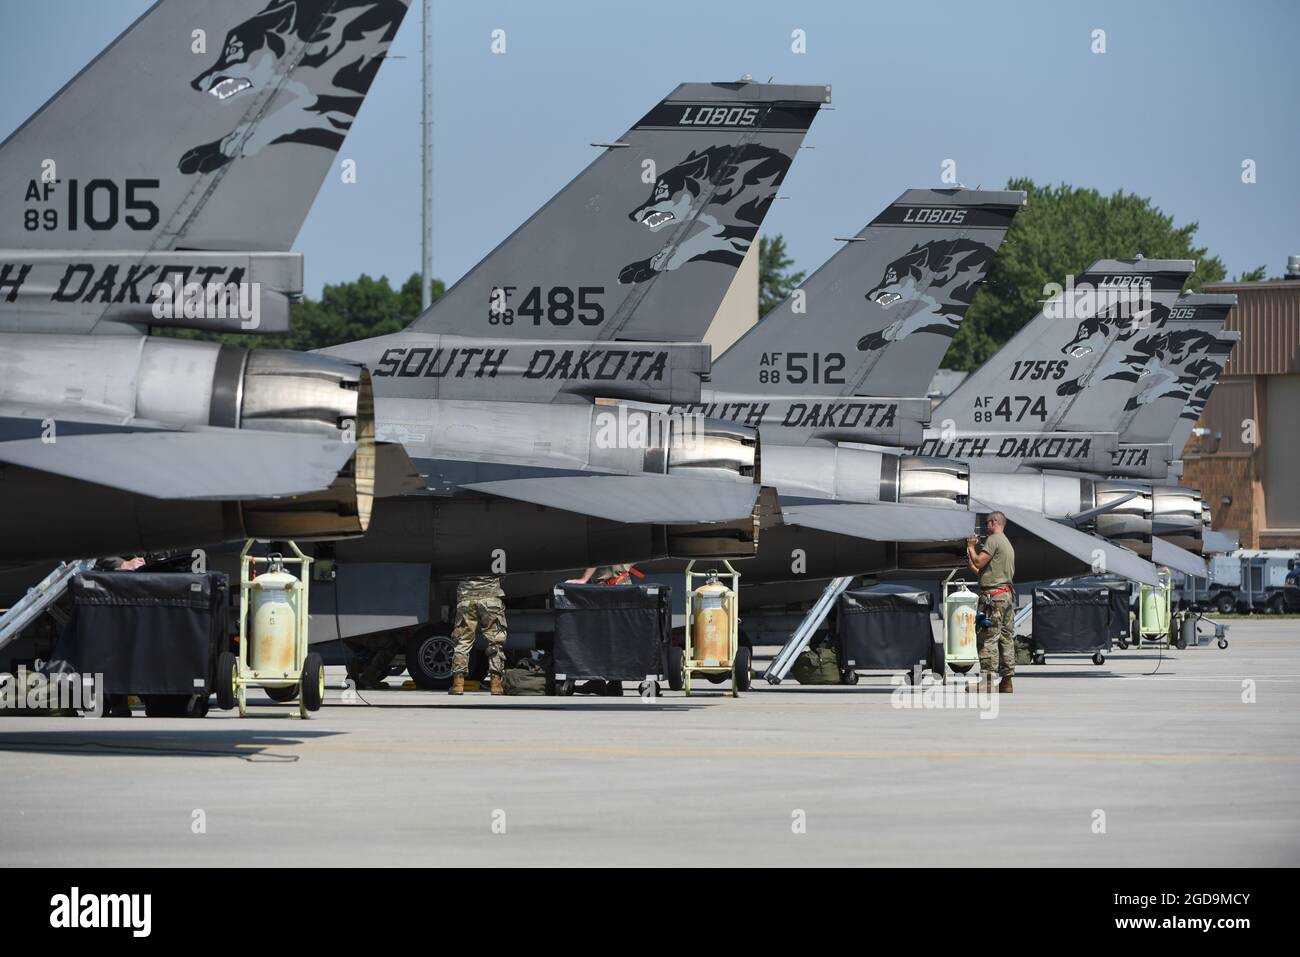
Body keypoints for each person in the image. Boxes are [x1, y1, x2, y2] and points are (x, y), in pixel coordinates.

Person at [966, 511, 1016, 693]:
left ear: (994, 522)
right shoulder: (1006, 543)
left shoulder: (993, 540)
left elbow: (979, 562)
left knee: (988, 638)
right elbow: (984, 571)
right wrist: (971, 562)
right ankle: (1007, 681)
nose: (986, 527)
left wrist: (972, 547)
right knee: (1005, 638)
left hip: (993, 599)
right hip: (1006, 596)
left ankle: (987, 681)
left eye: (987, 523)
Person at [449, 576, 506, 696]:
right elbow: (503, 574)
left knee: (462, 642)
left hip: (466, 599)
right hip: (491, 599)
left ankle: (458, 684)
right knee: (495, 641)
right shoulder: (495, 556)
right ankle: (496, 684)